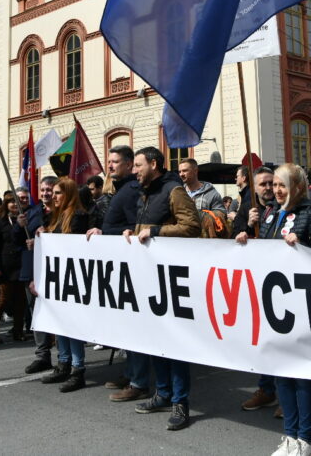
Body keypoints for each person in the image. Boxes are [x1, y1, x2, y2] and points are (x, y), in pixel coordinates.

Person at [121, 146, 201, 431]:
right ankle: (163, 394)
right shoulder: (147, 192)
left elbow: (192, 226)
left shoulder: (173, 190)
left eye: (138, 165)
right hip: (150, 277)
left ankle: (180, 402)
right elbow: (147, 227)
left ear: (153, 164)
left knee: (175, 344)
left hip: (171, 280)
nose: (134, 170)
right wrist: (133, 232)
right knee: (156, 340)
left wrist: (155, 232)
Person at [265, 163, 311, 456]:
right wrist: (245, 239)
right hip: (276, 305)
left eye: (283, 185)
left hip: (302, 306)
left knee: (302, 374)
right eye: (275, 185)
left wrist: (303, 245)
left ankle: (305, 439)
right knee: (282, 372)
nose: (277, 190)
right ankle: (289, 435)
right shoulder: (271, 215)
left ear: (298, 187)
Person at [91, 146, 151, 400]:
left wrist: (106, 233)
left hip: (131, 265)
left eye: (115, 162)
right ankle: (131, 373)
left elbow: (134, 226)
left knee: (135, 327)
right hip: (121, 264)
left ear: (128, 164)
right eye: (109, 161)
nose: (110, 166)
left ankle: (139, 381)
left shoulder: (132, 190)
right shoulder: (122, 189)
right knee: (127, 326)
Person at [234, 166, 280, 415]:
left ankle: (288, 396)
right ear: (254, 187)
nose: (269, 188)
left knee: (283, 342)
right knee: (263, 341)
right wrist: (246, 227)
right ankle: (266, 389)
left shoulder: (283, 206)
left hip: (281, 284)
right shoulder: (247, 208)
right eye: (263, 184)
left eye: (271, 183)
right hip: (256, 283)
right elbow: (233, 236)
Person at [39, 177, 90, 392]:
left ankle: (78, 369)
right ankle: (64, 363)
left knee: (71, 325)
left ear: (68, 194)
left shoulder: (78, 216)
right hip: (58, 279)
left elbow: (73, 248)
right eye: (53, 193)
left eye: (58, 193)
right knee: (60, 324)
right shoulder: (57, 216)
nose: (54, 196)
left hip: (72, 279)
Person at [22, 177, 58, 374]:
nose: (45, 193)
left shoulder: (62, 212)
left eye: (49, 190)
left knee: (59, 314)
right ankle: (42, 356)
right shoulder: (32, 213)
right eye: (43, 190)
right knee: (38, 313)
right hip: (34, 271)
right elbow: (18, 241)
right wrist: (18, 227)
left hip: (56, 271)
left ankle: (65, 358)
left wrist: (45, 239)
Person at [0, 196, 27, 344]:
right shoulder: (1, 221)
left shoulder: (24, 220)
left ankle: (18, 331)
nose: (15, 204)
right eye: (11, 202)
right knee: (3, 299)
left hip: (21, 264)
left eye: (17, 202)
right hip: (6, 266)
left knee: (21, 300)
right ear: (6, 204)